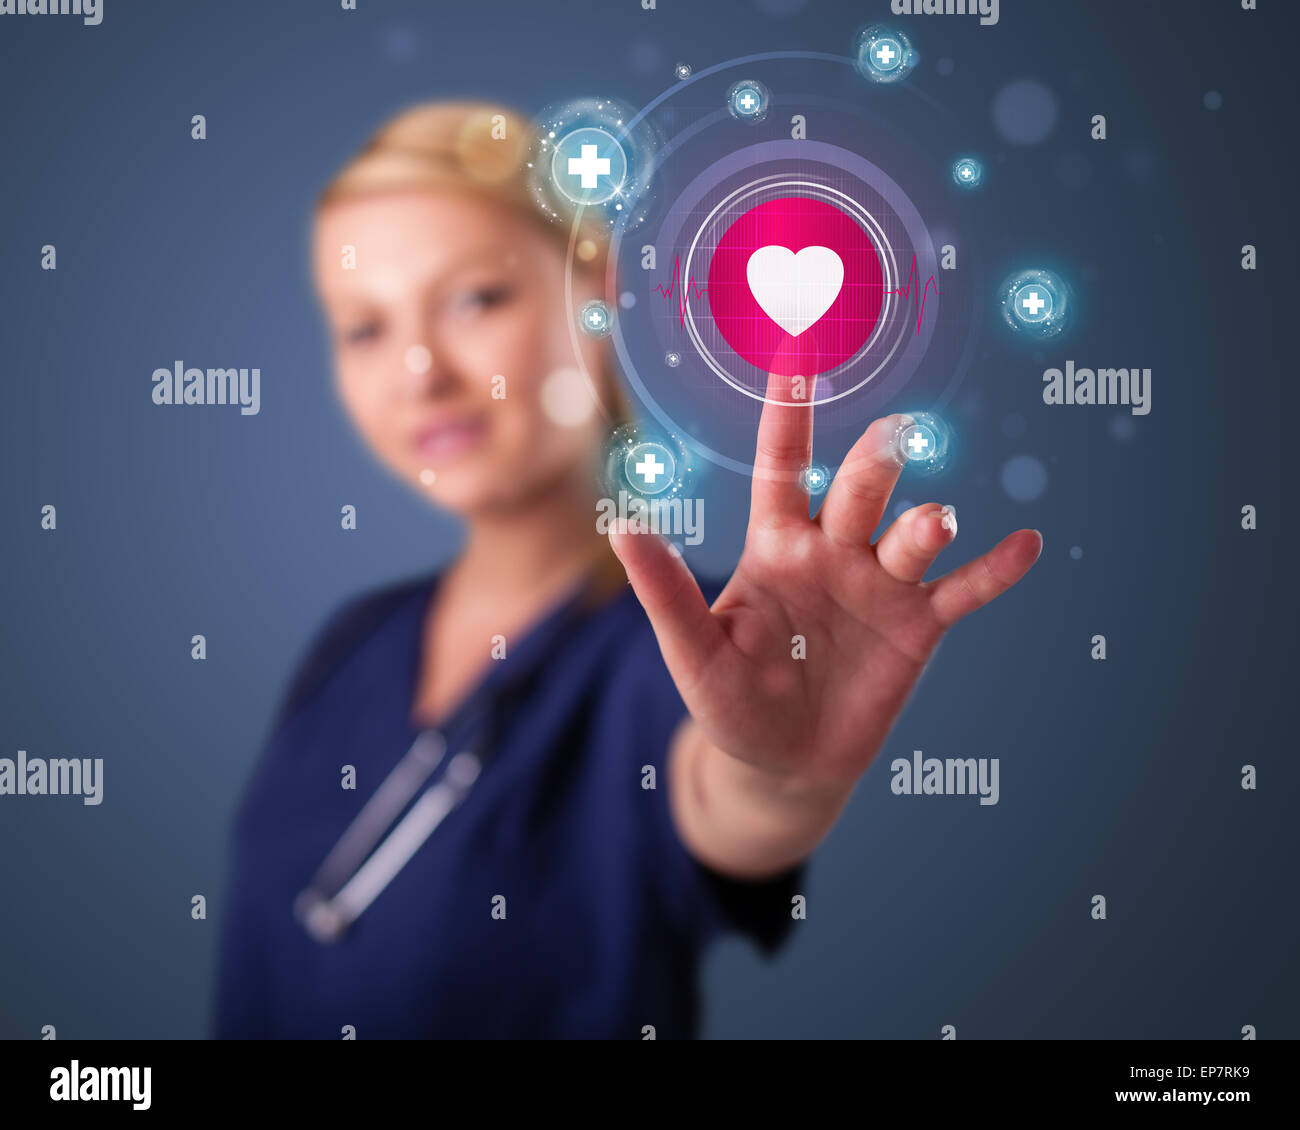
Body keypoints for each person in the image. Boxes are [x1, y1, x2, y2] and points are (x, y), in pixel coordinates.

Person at [213, 101, 1042, 1040]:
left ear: (593, 295)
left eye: (475, 298)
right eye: (362, 327)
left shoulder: (693, 647)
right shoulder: (352, 643)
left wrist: (779, 772)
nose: (417, 370)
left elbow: (726, 789)